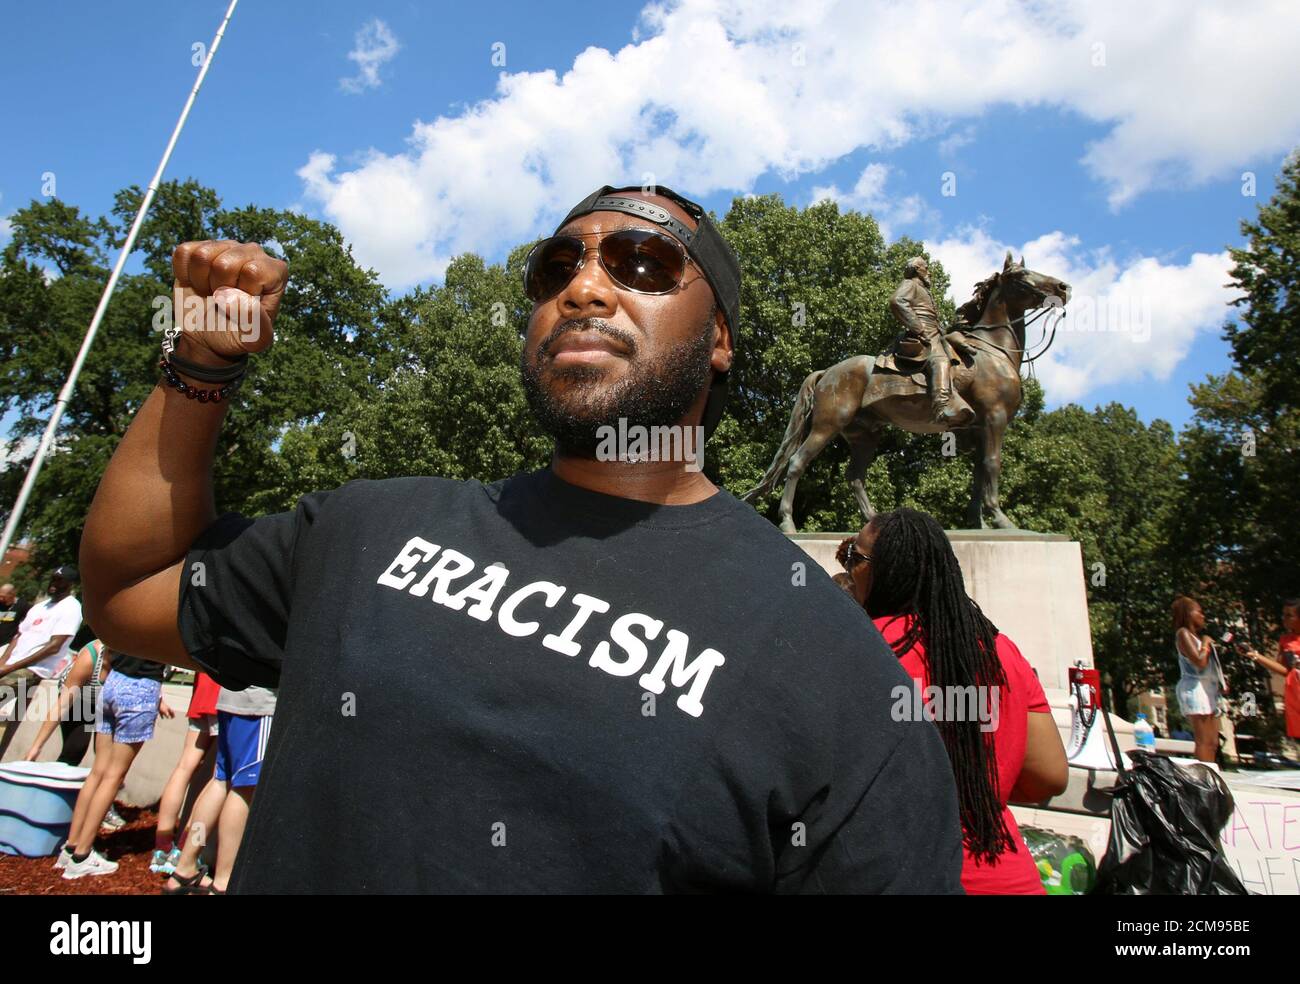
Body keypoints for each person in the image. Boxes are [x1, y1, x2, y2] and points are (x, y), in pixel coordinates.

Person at [79, 184, 964, 893]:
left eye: (644, 263)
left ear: (721, 338)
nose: (583, 286)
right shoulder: (367, 526)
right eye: (555, 267)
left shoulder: (835, 671)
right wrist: (200, 364)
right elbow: (126, 594)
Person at [837, 509, 1068, 895]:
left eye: (854, 558)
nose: (848, 568)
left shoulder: (857, 647)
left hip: (893, 874)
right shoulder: (1002, 651)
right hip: (1007, 877)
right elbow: (1050, 776)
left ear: (887, 568)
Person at [57, 650, 174, 879]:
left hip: (113, 682)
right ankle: (82, 855)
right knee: (113, 776)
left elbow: (107, 656)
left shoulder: (126, 615)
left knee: (97, 773)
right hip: (141, 687)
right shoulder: (161, 616)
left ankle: (71, 846)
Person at [163, 684, 275, 895]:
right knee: (245, 788)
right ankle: (223, 882)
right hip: (258, 703)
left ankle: (185, 867)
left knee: (220, 781)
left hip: (229, 697)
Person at [0, 566, 83, 759]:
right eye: (52, 579)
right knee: (5, 720)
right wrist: (3, 662)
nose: (53, 584)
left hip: (33, 669)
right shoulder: (40, 607)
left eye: (59, 581)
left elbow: (54, 646)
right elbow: (18, 637)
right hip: (13, 666)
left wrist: (11, 667)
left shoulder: (71, 608)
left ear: (70, 584)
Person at [151, 670, 221, 873]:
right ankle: (186, 847)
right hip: (225, 696)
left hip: (202, 691)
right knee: (218, 778)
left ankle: (162, 847)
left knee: (184, 767)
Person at [889, 257, 972, 426]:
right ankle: (941, 407)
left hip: (935, 333)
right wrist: (918, 328)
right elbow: (896, 301)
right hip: (924, 335)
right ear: (917, 269)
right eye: (926, 268)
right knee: (940, 361)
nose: (929, 272)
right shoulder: (910, 284)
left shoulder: (923, 289)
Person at [21, 636, 111, 765]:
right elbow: (62, 705)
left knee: (105, 755)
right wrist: (36, 747)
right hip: (78, 700)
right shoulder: (90, 659)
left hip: (106, 702)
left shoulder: (131, 663)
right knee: (75, 749)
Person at [1245, 598, 1300, 760]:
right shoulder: (1285, 640)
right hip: (1295, 692)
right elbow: (1284, 670)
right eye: (1283, 615)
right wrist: (1256, 656)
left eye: (1289, 615)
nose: (1284, 619)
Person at [1172, 595, 1225, 764]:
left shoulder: (1197, 637)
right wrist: (1206, 644)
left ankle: (1212, 770)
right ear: (1188, 614)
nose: (1203, 616)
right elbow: (1199, 661)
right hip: (1195, 688)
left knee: (1213, 742)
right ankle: (1205, 776)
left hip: (1209, 687)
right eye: (1199, 612)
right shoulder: (1183, 634)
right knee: (1203, 741)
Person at [0, 583, 30, 648]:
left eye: (3, 597)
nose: (1, 599)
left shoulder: (22, 606)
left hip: (7, 645)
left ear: (12, 595)